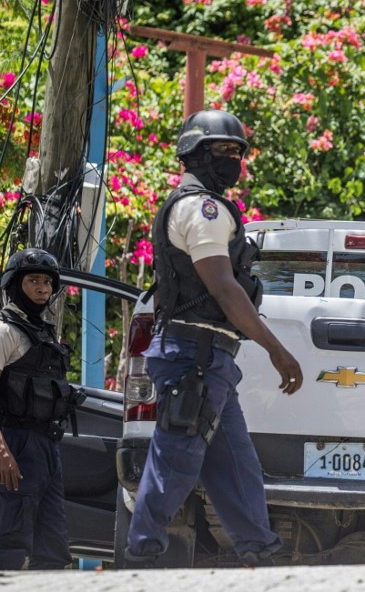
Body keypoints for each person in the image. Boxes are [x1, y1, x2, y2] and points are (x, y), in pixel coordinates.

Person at [123, 109, 304, 568]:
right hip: (195, 356)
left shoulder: (195, 206)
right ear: (196, 153)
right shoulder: (202, 209)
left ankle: (259, 551)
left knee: (236, 466)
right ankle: (142, 555)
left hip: (209, 358)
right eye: (224, 150)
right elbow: (224, 288)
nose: (233, 160)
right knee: (176, 460)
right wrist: (276, 350)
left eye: (238, 151)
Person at [0, 248, 81, 569]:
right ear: (15, 283)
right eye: (34, 280)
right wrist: (1, 449)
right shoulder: (2, 332)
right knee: (8, 542)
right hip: (17, 444)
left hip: (47, 448)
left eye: (47, 282)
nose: (43, 289)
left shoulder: (44, 333)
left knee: (52, 546)